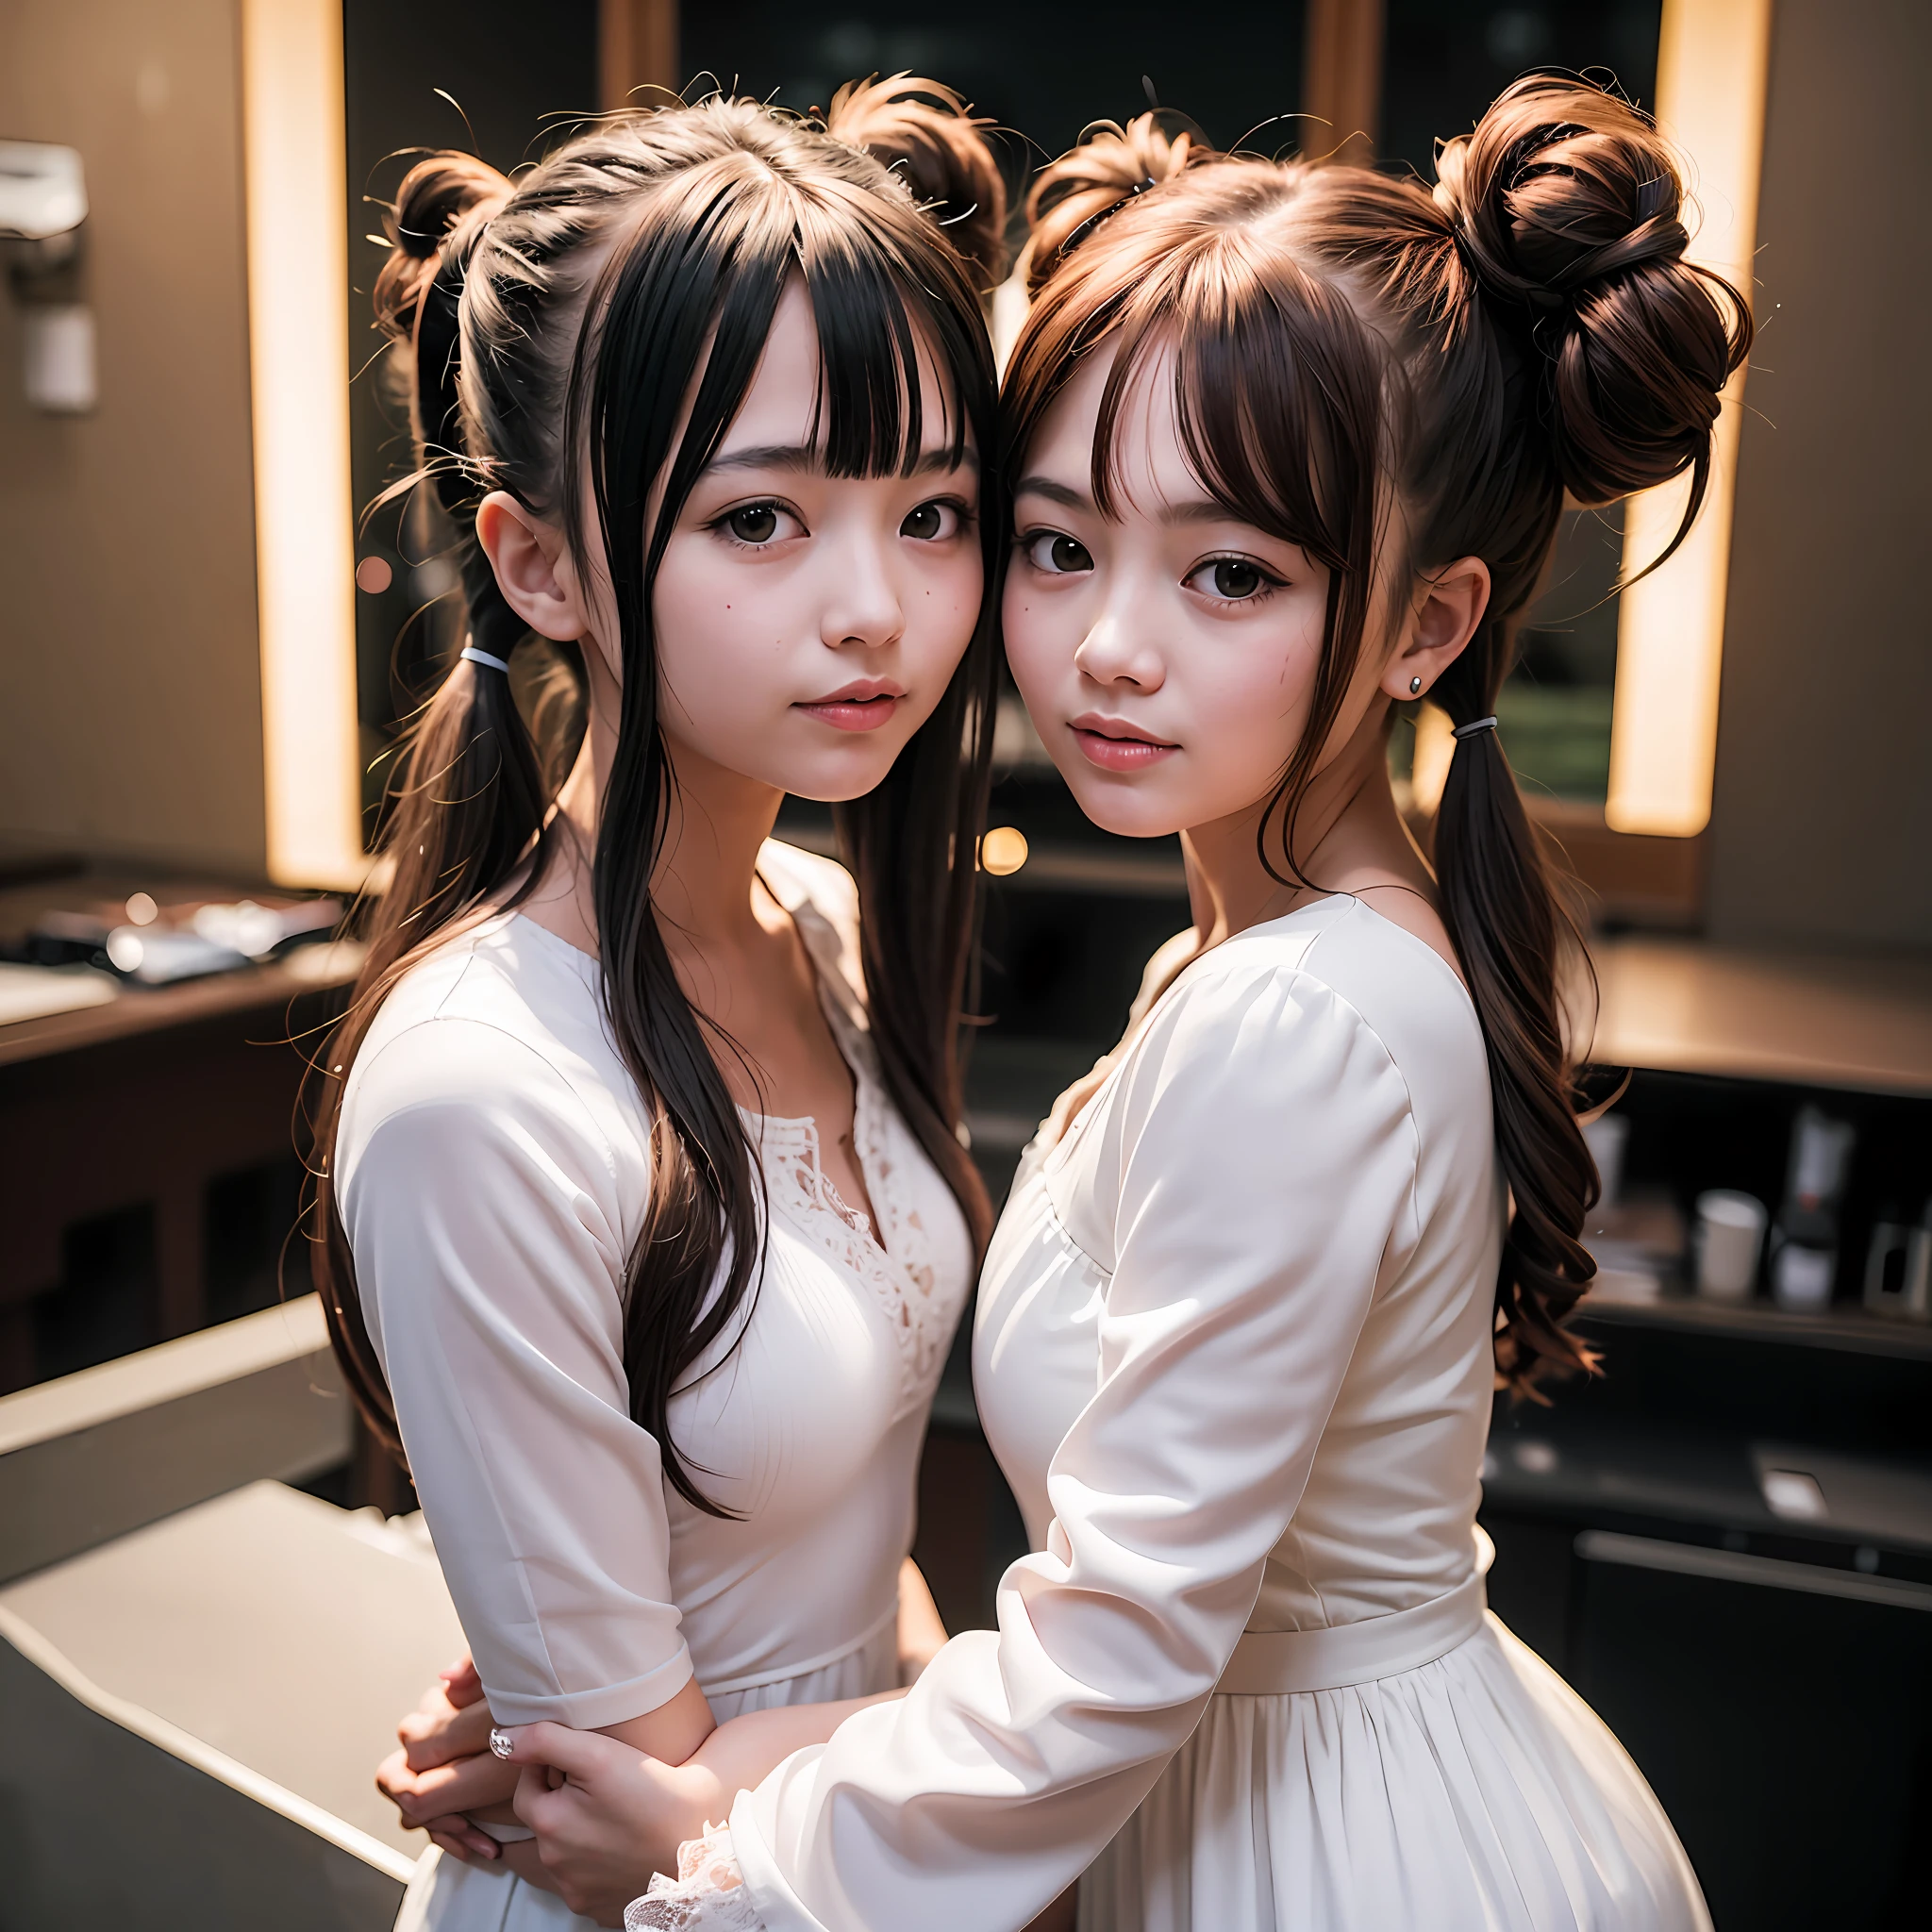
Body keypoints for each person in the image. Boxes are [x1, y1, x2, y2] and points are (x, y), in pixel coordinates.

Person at [497, 76, 1750, 1932]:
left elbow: (1119, 1645)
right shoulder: (1244, 966)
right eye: (1058, 543)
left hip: (1334, 1861)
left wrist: (725, 1856)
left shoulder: (1296, 1019)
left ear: (1425, 624)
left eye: (1230, 572)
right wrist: (688, 1737)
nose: (1106, 646)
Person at [311, 81, 1008, 1930]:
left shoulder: (823, 929)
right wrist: (1039, 1726)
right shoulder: (482, 1090)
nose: (876, 606)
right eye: (761, 517)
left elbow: (847, 1548)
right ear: (537, 561)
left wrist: (959, 1700)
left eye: (932, 511)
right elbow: (622, 1801)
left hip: (840, 1874)